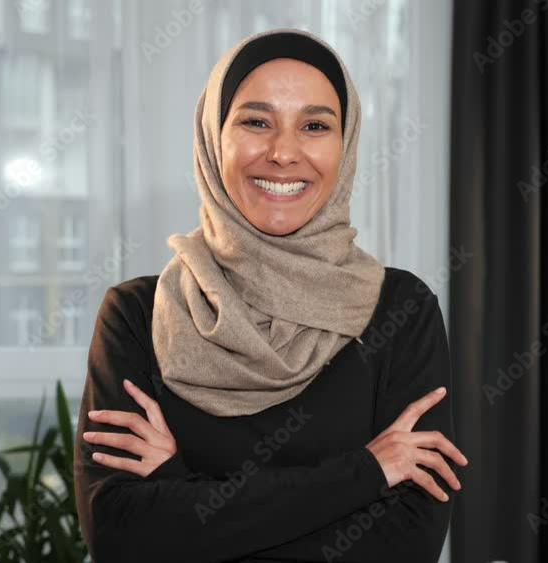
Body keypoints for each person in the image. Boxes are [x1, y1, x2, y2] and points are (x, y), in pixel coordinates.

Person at [73, 28, 468, 563]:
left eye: (314, 125)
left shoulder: (400, 310)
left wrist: (178, 489)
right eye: (256, 122)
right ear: (214, 139)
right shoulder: (137, 316)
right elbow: (121, 538)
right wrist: (367, 473)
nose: (284, 152)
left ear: (345, 144)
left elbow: (405, 544)